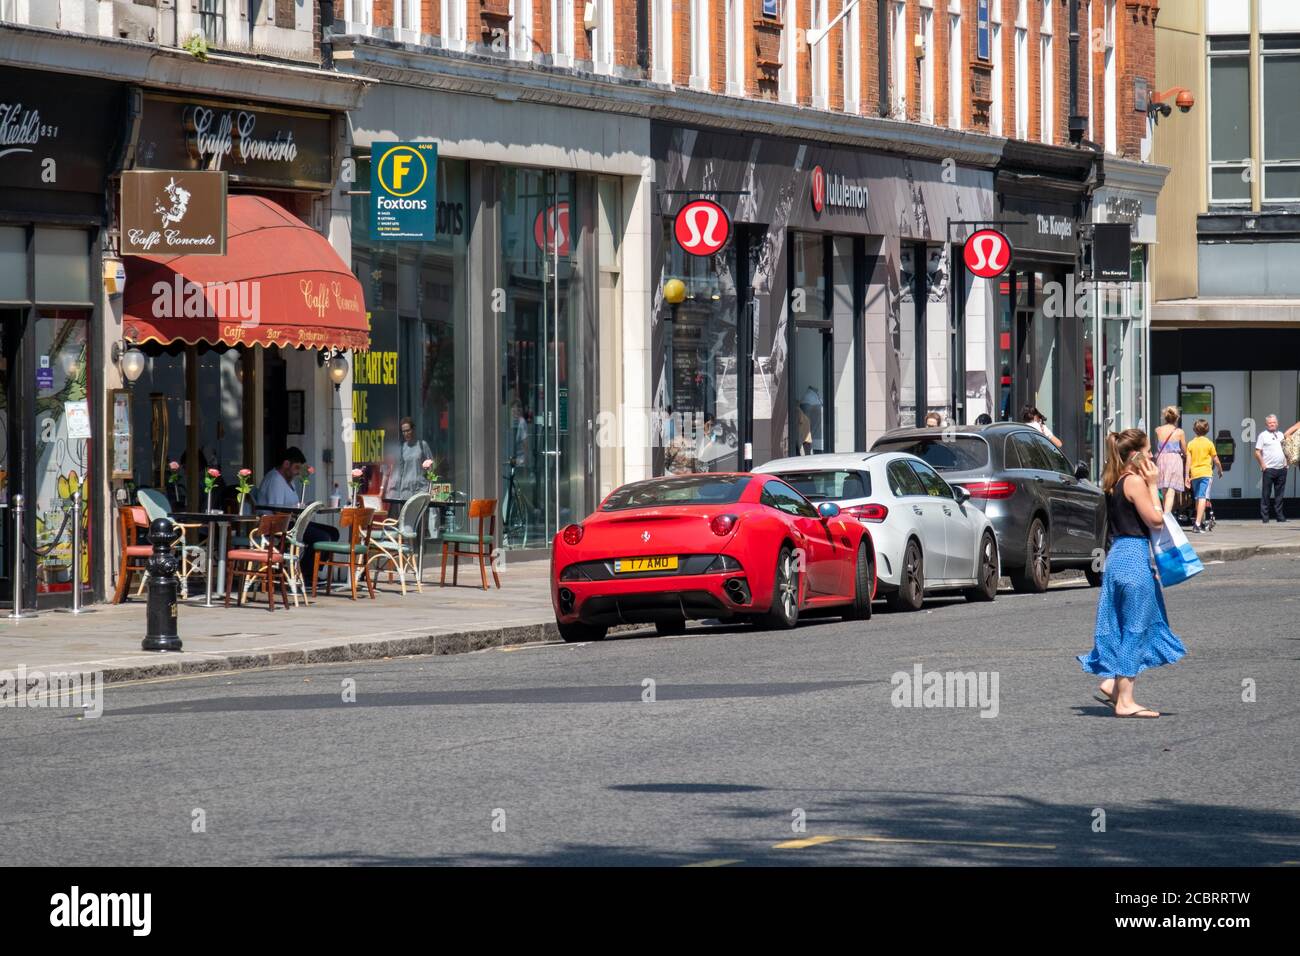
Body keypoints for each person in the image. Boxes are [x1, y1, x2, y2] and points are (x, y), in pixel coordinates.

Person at [1077, 429, 1187, 718]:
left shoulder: (1114, 481)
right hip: (1133, 557)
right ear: (1135, 454)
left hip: (1118, 557)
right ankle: (1125, 701)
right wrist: (1153, 485)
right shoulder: (1136, 481)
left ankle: (1114, 684)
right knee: (1136, 628)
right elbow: (1156, 520)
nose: (1152, 456)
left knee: (1126, 625)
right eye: (1149, 451)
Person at [257, 447, 339, 583]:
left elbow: (292, 504)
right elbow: (276, 510)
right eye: (296, 468)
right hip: (277, 524)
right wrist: (297, 511)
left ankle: (311, 571)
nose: (297, 472)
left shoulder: (289, 481)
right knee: (322, 537)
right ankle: (306, 574)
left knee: (333, 532)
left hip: (290, 520)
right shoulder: (275, 480)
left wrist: (305, 506)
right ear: (286, 464)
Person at [1152, 405, 1189, 515]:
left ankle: (1165, 512)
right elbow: (1184, 449)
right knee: (1171, 489)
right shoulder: (1180, 432)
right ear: (1177, 418)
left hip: (1162, 459)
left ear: (1165, 418)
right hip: (1174, 459)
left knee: (1163, 489)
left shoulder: (1158, 430)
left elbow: (1157, 446)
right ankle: (1167, 516)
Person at [1186, 419, 1221, 534]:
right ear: (1207, 430)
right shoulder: (1209, 443)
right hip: (1206, 473)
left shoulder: (1190, 444)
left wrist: (1187, 475)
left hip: (1195, 474)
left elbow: (1188, 461)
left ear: (1194, 430)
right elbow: (1215, 459)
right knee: (1203, 498)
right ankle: (1197, 524)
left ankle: (1200, 522)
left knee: (1198, 498)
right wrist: (1220, 470)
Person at [1255, 414, 1290, 522]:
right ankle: (1265, 517)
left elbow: (1287, 449)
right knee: (1266, 494)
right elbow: (1257, 452)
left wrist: (1286, 463)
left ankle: (1279, 516)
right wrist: (1263, 465)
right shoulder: (1263, 435)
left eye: (1274, 422)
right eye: (1270, 423)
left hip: (1281, 469)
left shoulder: (1281, 435)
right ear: (1266, 424)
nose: (1272, 424)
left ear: (1277, 423)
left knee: (1279, 495)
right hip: (1269, 469)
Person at [389, 417, 433, 500]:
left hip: (421, 488)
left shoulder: (422, 445)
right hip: (406, 490)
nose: (406, 433)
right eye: (404, 431)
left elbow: (431, 467)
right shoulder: (402, 448)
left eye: (408, 430)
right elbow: (399, 471)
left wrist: (430, 487)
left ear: (413, 430)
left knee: (420, 512)